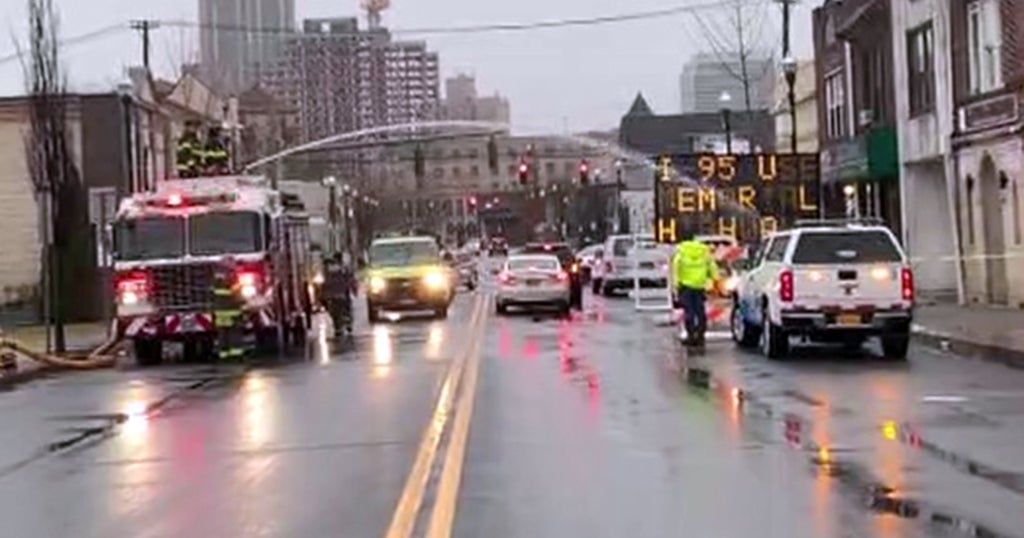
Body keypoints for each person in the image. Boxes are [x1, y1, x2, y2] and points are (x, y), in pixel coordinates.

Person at [672, 228, 719, 347]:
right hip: (700, 285)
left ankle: (691, 335)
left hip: (685, 286)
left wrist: (675, 285)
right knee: (700, 311)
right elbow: (711, 265)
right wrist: (715, 279)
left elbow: (675, 269)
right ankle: (701, 335)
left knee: (689, 312)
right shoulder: (703, 250)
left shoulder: (680, 251)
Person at [212, 261, 247, 359]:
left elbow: (213, 295)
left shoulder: (216, 280)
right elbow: (236, 295)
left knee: (222, 333)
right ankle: (236, 354)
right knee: (234, 333)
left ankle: (223, 354)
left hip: (220, 313)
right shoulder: (232, 279)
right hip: (233, 312)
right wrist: (244, 304)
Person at [322, 253, 357, 337]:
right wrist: (354, 290)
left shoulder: (329, 270)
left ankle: (339, 326)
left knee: (335, 312)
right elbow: (350, 280)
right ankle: (347, 323)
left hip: (334, 295)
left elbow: (326, 283)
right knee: (345, 309)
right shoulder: (344, 269)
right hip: (343, 294)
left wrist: (325, 294)